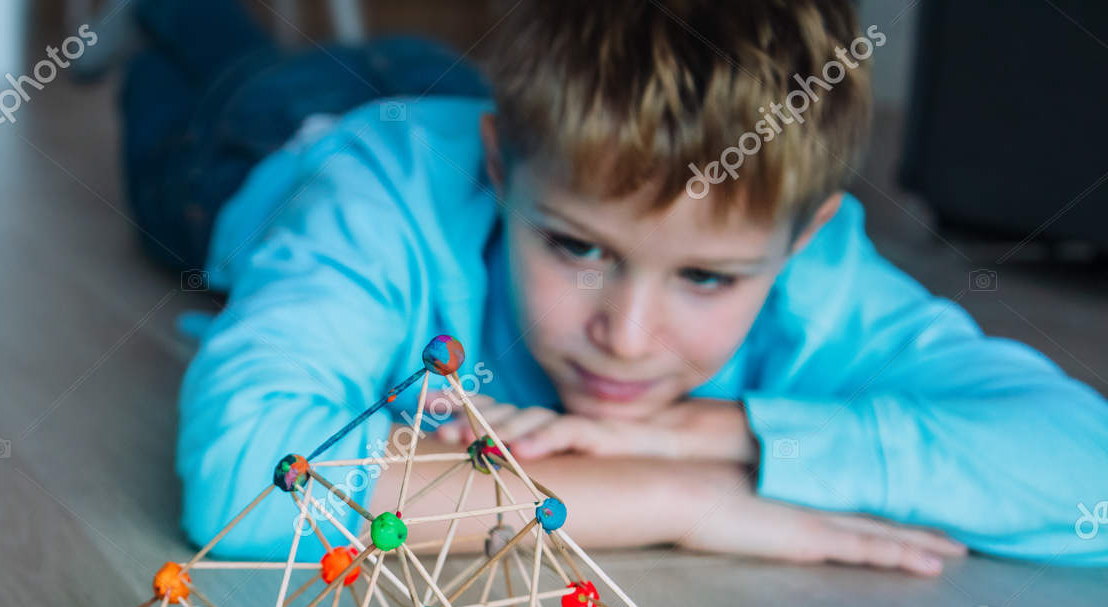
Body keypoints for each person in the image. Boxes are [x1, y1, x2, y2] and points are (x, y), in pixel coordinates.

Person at [117, 0, 1108, 571]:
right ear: (498, 170)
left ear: (802, 241)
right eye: (577, 249)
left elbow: (1088, 477)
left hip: (485, 107)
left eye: (706, 275)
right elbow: (245, 477)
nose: (628, 338)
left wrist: (710, 433)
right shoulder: (378, 197)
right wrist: (673, 499)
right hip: (269, 145)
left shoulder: (816, 270)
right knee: (212, 66)